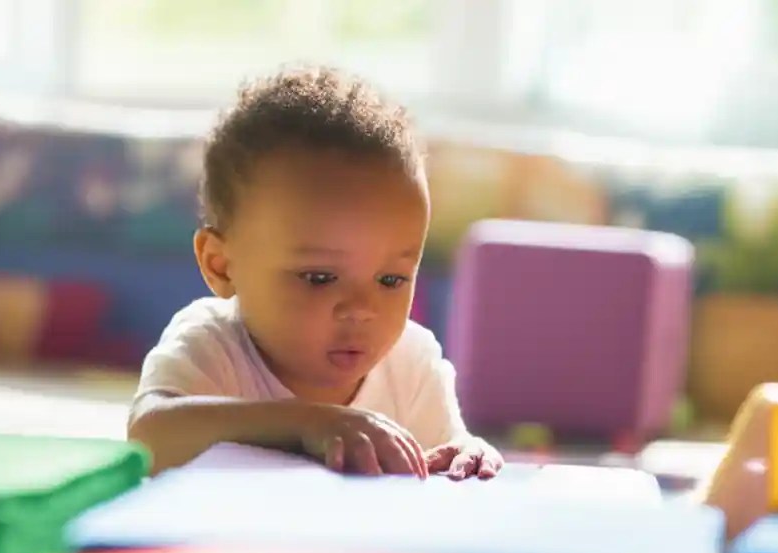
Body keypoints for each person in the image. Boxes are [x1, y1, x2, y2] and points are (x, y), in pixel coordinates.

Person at [129, 66, 503, 479]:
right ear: (221, 266)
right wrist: (307, 423)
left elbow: (443, 457)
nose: (362, 309)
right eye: (320, 278)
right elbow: (148, 436)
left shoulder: (411, 365)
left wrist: (468, 452)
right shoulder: (212, 345)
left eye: (391, 279)